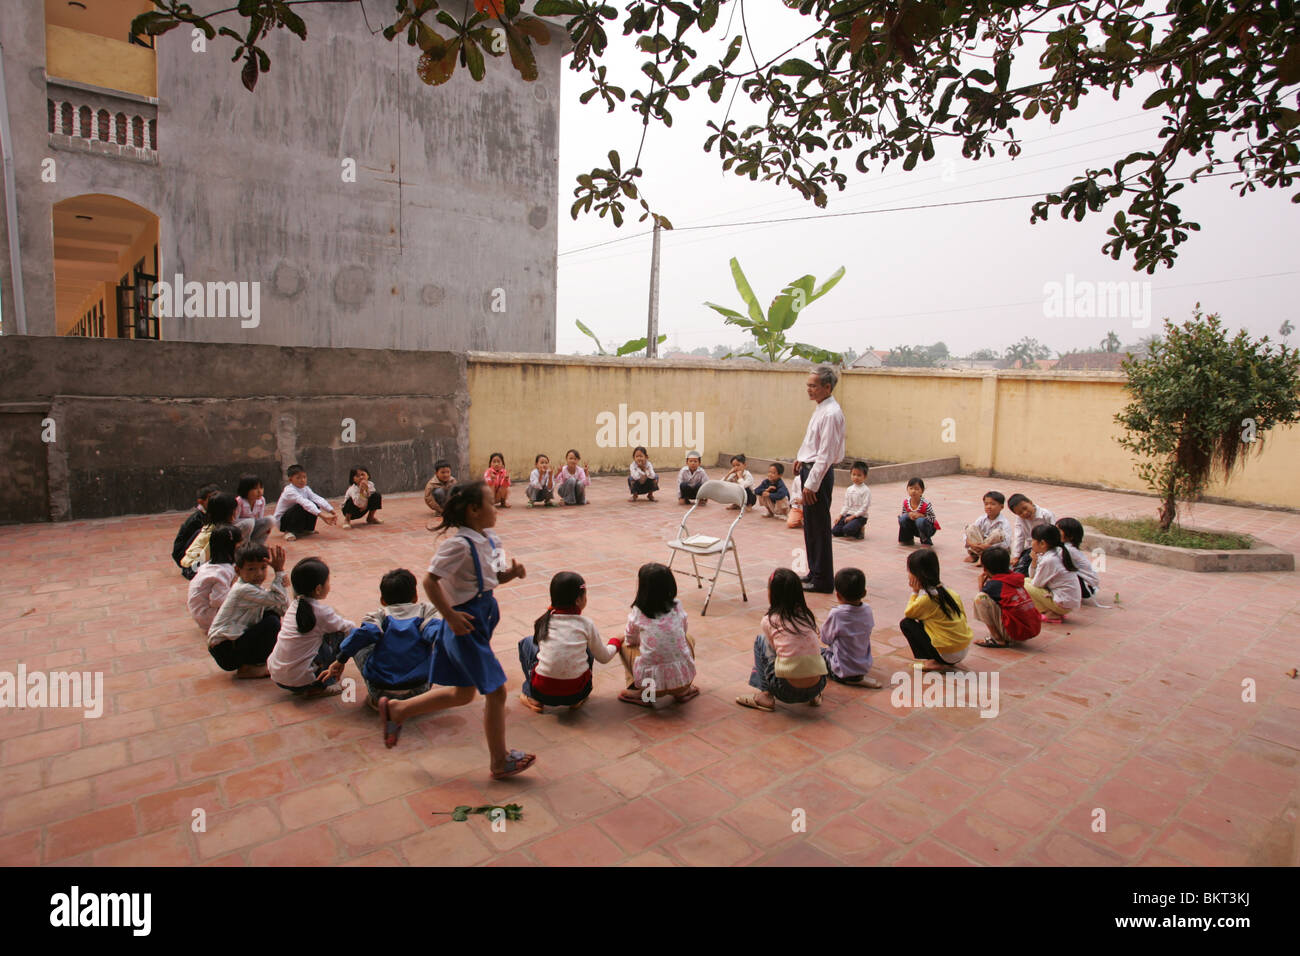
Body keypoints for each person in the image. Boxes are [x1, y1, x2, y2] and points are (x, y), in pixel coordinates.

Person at [377, 481, 535, 779]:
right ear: (474, 510)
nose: (497, 507)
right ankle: (499, 761)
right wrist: (449, 616)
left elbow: (491, 579)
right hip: (464, 626)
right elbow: (429, 581)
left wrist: (511, 574)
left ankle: (397, 711)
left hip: (480, 621)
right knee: (497, 691)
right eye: (491, 502)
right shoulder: (457, 545)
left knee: (463, 694)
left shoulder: (489, 540)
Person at [323, 569, 441, 711]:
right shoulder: (427, 611)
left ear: (383, 600)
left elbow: (363, 635)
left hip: (381, 693)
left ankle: (376, 701)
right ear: (415, 596)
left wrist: (340, 660)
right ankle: (413, 703)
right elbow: (438, 635)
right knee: (435, 641)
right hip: (420, 690)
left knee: (356, 637)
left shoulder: (377, 615)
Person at [517, 572, 623, 713]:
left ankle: (531, 695)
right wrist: (616, 641)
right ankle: (577, 701)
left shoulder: (544, 622)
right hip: (576, 694)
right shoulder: (586, 624)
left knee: (527, 643)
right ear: (579, 600)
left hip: (542, 692)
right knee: (587, 649)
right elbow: (604, 657)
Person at [736, 568, 829, 711]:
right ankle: (814, 696)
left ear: (772, 594)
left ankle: (765, 695)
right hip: (818, 685)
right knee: (812, 650)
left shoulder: (770, 620)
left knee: (761, 641)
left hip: (785, 690)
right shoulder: (807, 616)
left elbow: (775, 651)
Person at [268, 557, 357, 697]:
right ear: (318, 589)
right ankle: (323, 683)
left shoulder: (294, 607)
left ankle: (308, 680)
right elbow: (350, 628)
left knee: (321, 635)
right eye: (328, 581)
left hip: (278, 677)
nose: (329, 584)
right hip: (300, 680)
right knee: (341, 634)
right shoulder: (322, 613)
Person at [793, 366, 846, 593]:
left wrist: (811, 484)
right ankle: (814, 572)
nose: (809, 389)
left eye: (813, 385)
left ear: (827, 387)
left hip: (818, 475)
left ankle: (823, 579)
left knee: (819, 528)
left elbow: (825, 454)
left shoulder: (831, 413)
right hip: (810, 469)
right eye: (808, 385)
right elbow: (812, 443)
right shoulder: (821, 409)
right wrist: (800, 458)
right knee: (811, 527)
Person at [617, 563, 698, 707]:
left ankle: (644, 695)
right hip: (683, 680)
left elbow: (630, 639)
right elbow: (683, 629)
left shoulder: (639, 612)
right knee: (688, 638)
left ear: (643, 589)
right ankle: (683, 692)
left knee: (624, 644)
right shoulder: (677, 606)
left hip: (651, 685)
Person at [206, 543, 288, 678]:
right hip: (225, 650)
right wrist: (279, 571)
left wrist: (281, 579)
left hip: (231, 645)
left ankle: (255, 662)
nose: (259, 574)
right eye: (251, 569)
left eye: (263, 568)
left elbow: (282, 608)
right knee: (272, 623)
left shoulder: (253, 589)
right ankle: (249, 668)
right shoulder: (243, 590)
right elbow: (280, 600)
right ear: (238, 571)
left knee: (272, 614)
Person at [900, 548, 973, 671]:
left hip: (948, 654)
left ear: (917, 574)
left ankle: (934, 662)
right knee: (925, 619)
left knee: (907, 624)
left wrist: (914, 592)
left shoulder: (927, 598)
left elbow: (909, 613)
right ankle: (940, 658)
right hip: (962, 649)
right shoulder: (949, 592)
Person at [820, 567, 880, 687]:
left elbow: (825, 639)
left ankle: (849, 678)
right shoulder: (867, 610)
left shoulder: (836, 614)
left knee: (816, 653)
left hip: (841, 670)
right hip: (863, 665)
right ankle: (856, 677)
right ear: (864, 593)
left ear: (838, 595)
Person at [972, 546, 1041, 647]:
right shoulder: (1015, 577)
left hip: (1016, 633)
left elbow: (984, 598)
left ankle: (997, 639)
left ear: (985, 568)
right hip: (1031, 629)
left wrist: (981, 584)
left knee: (980, 598)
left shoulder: (995, 584)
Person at [187, 525, 242, 632]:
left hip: (200, 613)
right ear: (232, 547)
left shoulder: (208, 565)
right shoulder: (223, 571)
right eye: (239, 545)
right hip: (209, 617)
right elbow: (218, 600)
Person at [1026, 524, 1081, 623]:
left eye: (1033, 540)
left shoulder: (1049, 560)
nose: (1031, 543)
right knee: (1026, 581)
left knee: (1022, 585)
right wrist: (1034, 561)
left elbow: (1036, 584)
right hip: (1066, 601)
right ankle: (1053, 611)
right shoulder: (1054, 553)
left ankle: (1050, 613)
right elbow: (1033, 578)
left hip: (1063, 604)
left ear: (1042, 543)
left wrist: (1035, 562)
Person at [274, 465, 338, 541]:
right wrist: (323, 516)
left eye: (304, 477)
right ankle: (288, 531)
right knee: (302, 506)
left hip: (295, 514)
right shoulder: (289, 491)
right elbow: (304, 503)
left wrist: (332, 511)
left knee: (314, 504)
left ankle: (307, 529)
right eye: (298, 478)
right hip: (283, 521)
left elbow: (317, 498)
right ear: (290, 480)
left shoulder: (306, 489)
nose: (302, 480)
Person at [181, 492, 240, 571]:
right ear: (229, 513)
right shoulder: (218, 532)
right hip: (193, 567)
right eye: (234, 510)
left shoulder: (213, 526)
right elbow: (205, 555)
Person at [173, 483, 221, 578]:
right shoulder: (196, 520)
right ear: (201, 502)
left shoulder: (216, 515)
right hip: (187, 556)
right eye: (212, 498)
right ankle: (194, 568)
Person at [1007, 493, 1056, 575]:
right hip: (1031, 548)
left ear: (1030, 502)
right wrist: (1016, 556)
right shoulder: (1020, 520)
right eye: (1020, 513)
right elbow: (1019, 537)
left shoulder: (1046, 515)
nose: (1025, 513)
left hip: (1048, 547)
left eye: (1025, 508)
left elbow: (1054, 533)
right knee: (1019, 567)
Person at [1056, 517, 1100, 601]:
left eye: (1058, 531)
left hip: (1086, 587)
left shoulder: (1068, 550)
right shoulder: (1067, 547)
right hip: (1087, 586)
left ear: (1070, 536)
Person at [964, 490, 1012, 563]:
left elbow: (1006, 543)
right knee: (970, 528)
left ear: (1001, 507)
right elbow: (968, 535)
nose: (989, 507)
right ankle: (980, 555)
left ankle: (982, 557)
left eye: (993, 504)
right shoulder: (982, 519)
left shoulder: (1004, 523)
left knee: (997, 533)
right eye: (986, 504)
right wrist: (971, 544)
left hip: (993, 549)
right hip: (980, 546)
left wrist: (987, 546)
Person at [831, 461, 871, 539]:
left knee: (848, 530)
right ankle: (849, 527)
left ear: (865, 476)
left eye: (859, 475)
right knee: (835, 531)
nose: (856, 477)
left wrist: (852, 517)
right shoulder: (849, 489)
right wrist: (840, 516)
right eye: (854, 474)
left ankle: (860, 528)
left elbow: (864, 508)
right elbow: (846, 505)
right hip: (848, 515)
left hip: (860, 516)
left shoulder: (866, 490)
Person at [897, 477, 940, 546]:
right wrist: (909, 515)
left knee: (920, 520)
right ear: (907, 489)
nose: (913, 491)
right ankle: (907, 539)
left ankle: (926, 541)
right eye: (911, 488)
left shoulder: (926, 504)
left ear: (922, 491)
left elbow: (932, 519)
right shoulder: (906, 502)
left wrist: (922, 516)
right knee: (903, 518)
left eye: (916, 489)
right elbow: (904, 514)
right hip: (914, 527)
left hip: (927, 528)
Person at [234, 474, 274, 549]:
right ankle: (244, 547)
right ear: (246, 490)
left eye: (261, 488)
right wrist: (249, 521)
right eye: (255, 488)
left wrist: (266, 528)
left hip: (251, 527)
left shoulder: (262, 500)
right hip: (239, 530)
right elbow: (234, 521)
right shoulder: (239, 501)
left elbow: (260, 518)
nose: (259, 491)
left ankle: (258, 545)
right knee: (249, 522)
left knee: (271, 520)